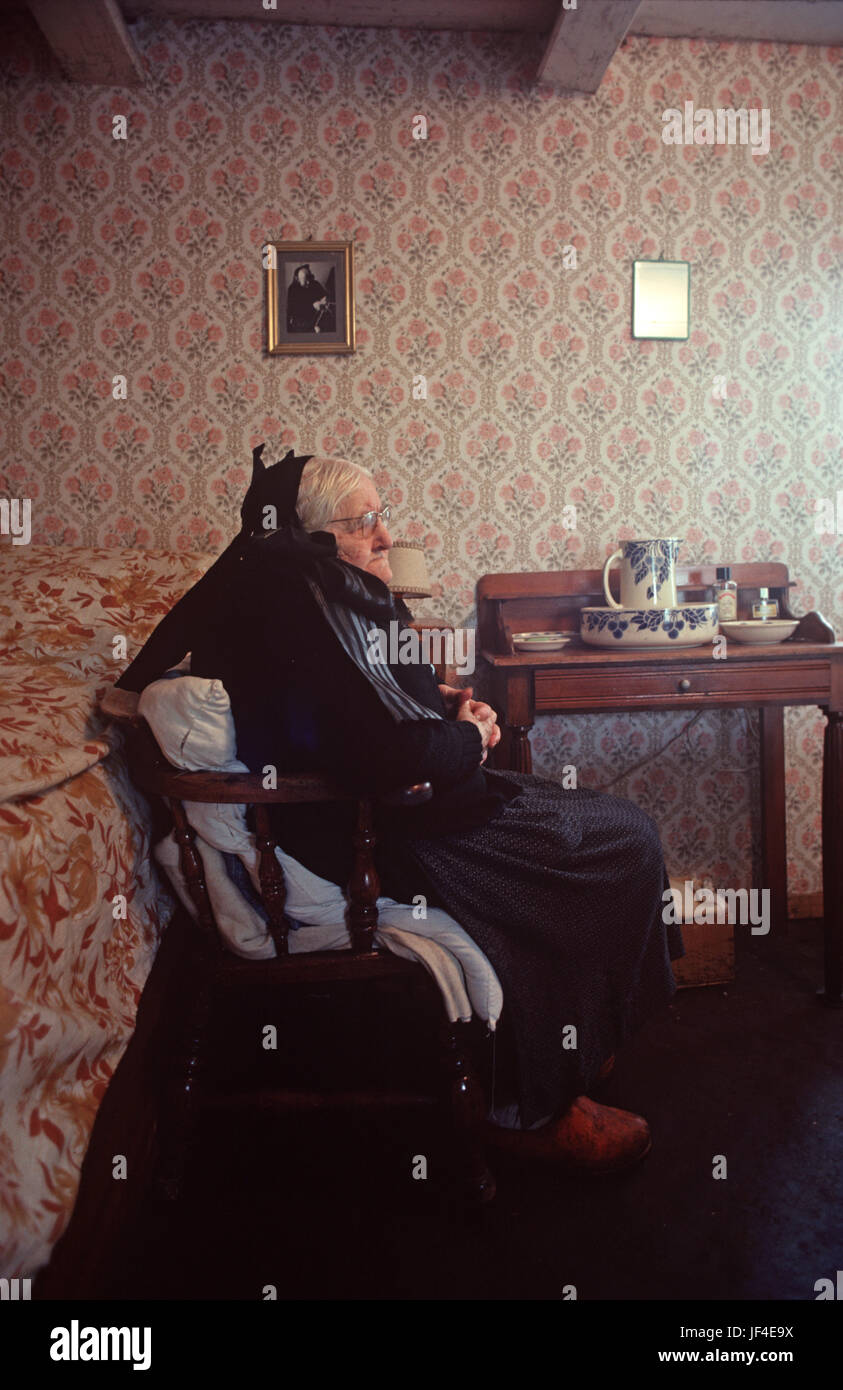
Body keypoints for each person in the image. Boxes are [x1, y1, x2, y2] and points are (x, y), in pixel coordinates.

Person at [116, 445, 684, 1173]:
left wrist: (436, 707)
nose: (385, 538)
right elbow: (377, 755)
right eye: (367, 523)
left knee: (608, 822)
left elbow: (330, 715)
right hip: (364, 835)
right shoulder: (304, 592)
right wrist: (468, 736)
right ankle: (528, 1107)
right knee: (614, 842)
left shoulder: (292, 587)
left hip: (375, 812)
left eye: (380, 519)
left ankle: (581, 1042)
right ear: (315, 531)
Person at [286, 264, 330, 333]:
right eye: (304, 280)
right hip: (302, 323)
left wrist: (324, 300)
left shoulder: (315, 283)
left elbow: (325, 296)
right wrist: (312, 306)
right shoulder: (292, 289)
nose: (308, 282)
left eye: (308, 278)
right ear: (297, 279)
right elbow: (294, 311)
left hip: (317, 318)